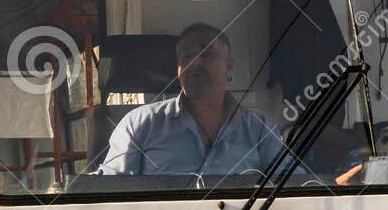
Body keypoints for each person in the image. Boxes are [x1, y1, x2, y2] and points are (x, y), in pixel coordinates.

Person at [98, 23, 286, 178]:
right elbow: (108, 195)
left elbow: (296, 189)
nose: (195, 62)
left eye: (207, 54)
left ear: (229, 64)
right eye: (186, 55)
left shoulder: (259, 129)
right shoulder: (139, 124)